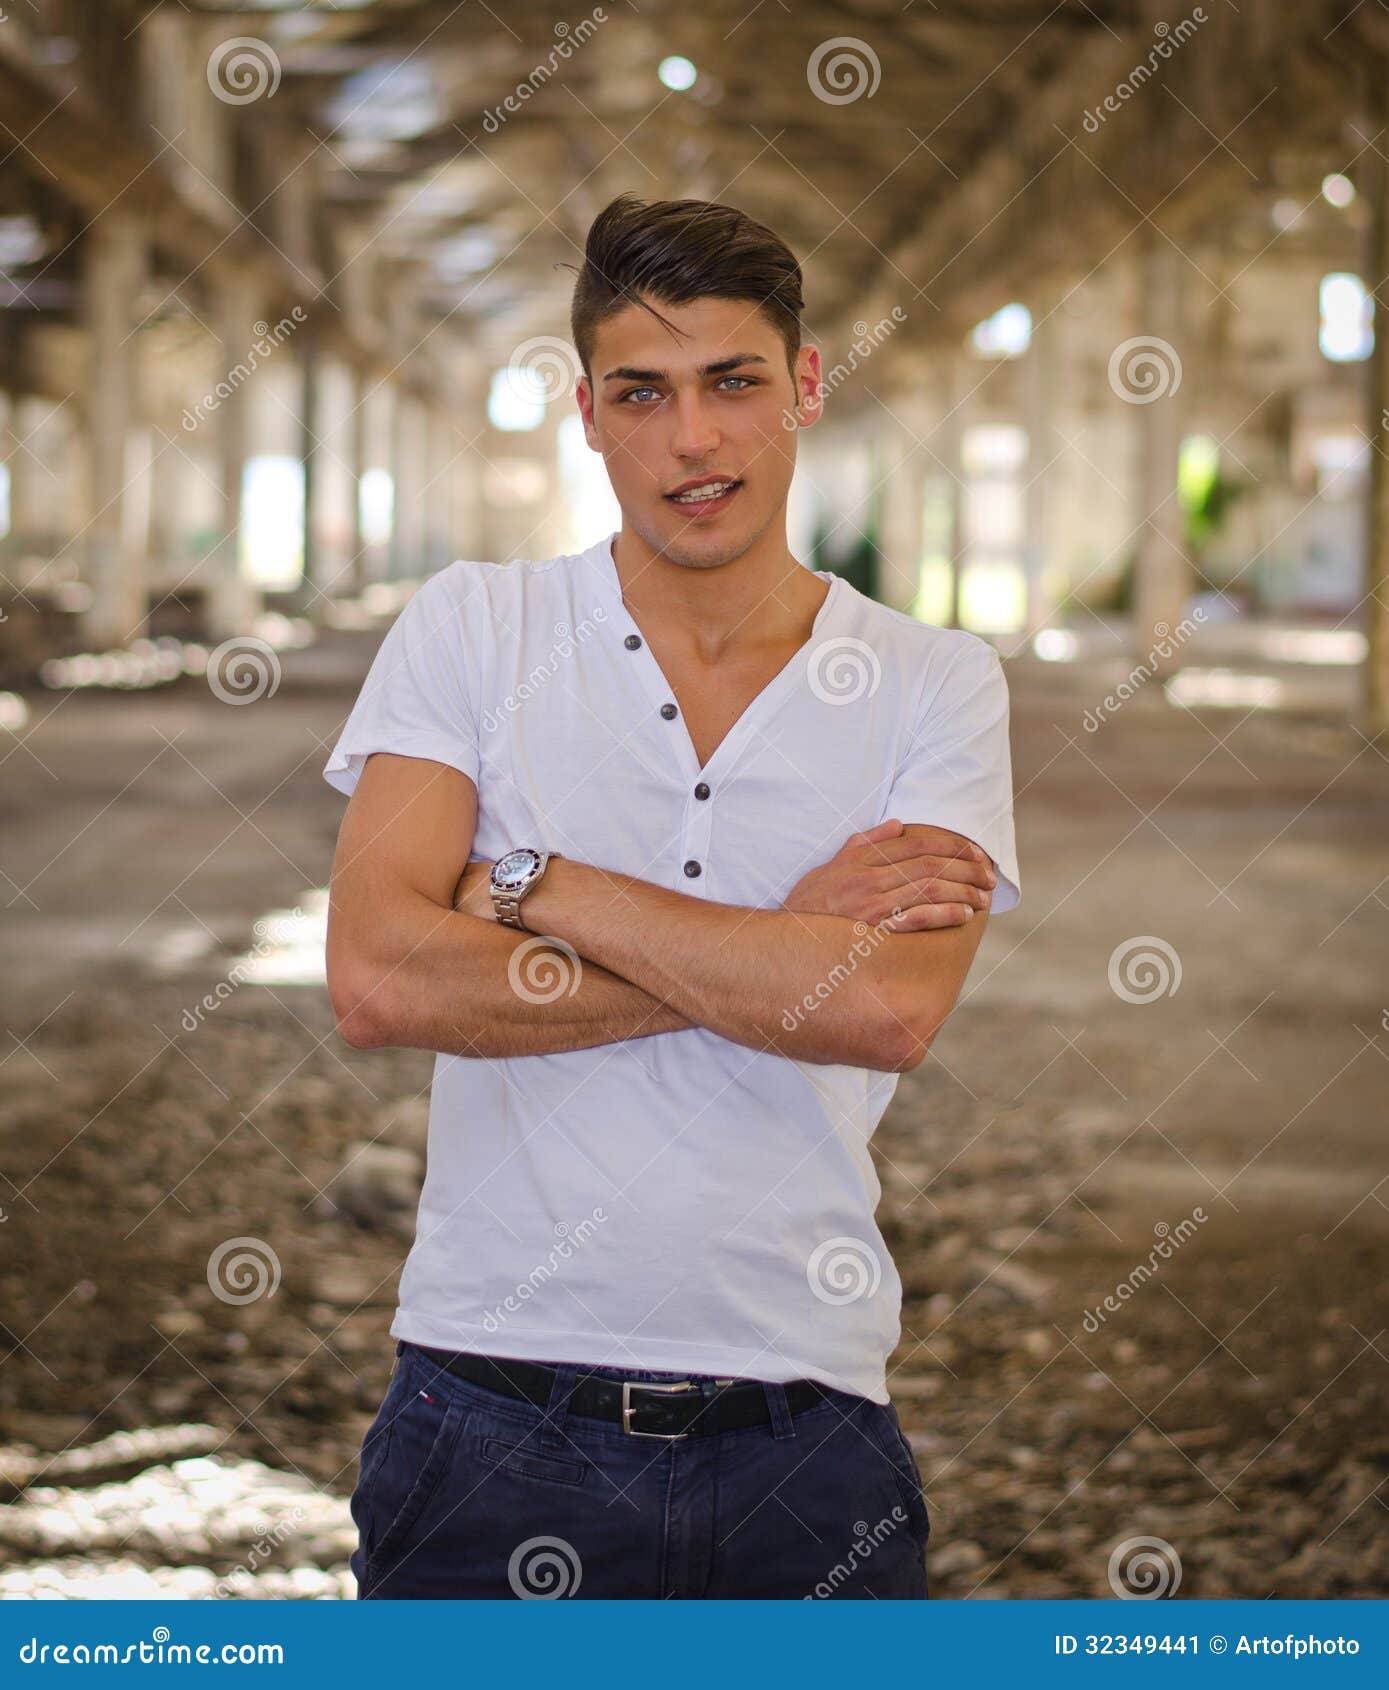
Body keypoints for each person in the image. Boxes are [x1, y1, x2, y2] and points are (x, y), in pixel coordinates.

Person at [322, 193, 1021, 1600]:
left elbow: (881, 1009)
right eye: (642, 393)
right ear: (588, 413)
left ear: (804, 387)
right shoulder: (474, 624)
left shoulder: (932, 681)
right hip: (485, 1406)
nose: (691, 440)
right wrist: (775, 954)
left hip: (802, 1429)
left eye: (732, 384)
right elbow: (382, 977)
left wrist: (533, 885)